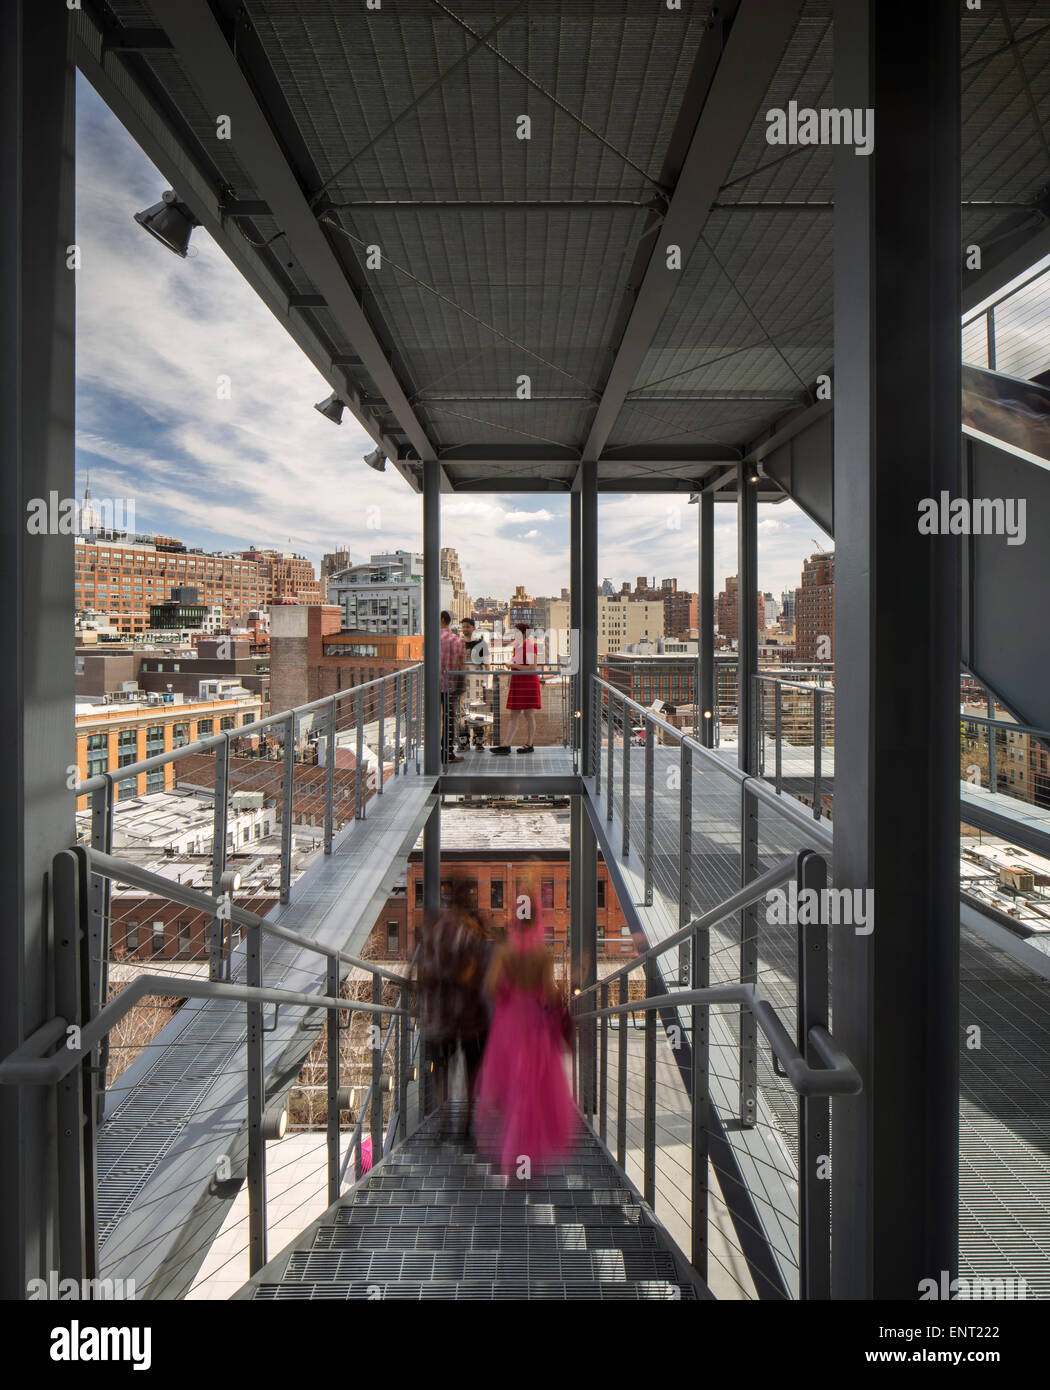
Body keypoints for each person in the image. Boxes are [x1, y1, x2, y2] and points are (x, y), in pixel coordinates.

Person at [473, 870, 577, 1175]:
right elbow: (550, 992)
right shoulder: (542, 954)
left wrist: (508, 992)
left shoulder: (505, 952)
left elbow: (491, 987)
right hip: (534, 1024)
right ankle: (526, 1154)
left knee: (509, 1086)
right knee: (529, 1087)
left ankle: (512, 1154)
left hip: (509, 1025)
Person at [415, 877, 493, 1137]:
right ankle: (466, 1119)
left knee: (444, 1066)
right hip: (471, 1014)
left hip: (446, 1013)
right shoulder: (475, 929)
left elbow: (426, 968)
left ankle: (446, 1116)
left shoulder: (441, 928)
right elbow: (484, 969)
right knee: (470, 1066)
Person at [489, 621, 542, 756]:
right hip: (519, 681)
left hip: (528, 682)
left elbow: (532, 667)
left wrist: (514, 666)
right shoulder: (518, 646)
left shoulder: (529, 646)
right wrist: (512, 664)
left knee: (528, 714)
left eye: (516, 632)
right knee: (515, 715)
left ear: (524, 634)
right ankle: (507, 744)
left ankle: (527, 744)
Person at [439, 609, 464, 764]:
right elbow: (461, 664)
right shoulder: (456, 640)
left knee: (434, 718)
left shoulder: (432, 639)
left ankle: (434, 751)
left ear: (442, 620)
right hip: (449, 685)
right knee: (449, 718)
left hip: (432, 684)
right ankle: (447, 752)